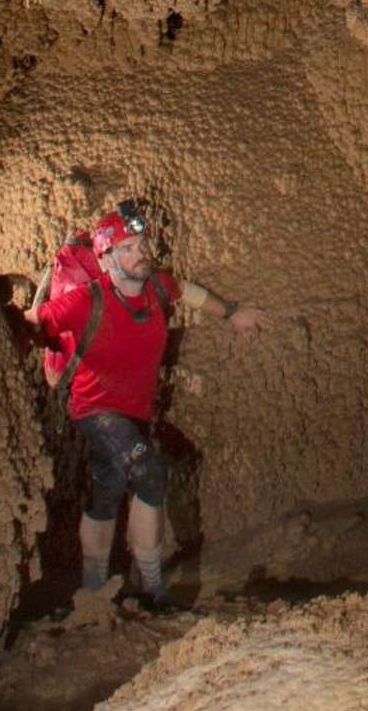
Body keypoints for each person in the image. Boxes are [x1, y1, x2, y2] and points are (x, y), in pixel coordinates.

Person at [28, 200, 271, 606]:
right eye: (127, 247)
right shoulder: (86, 299)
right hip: (95, 410)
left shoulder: (158, 286)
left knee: (106, 492)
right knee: (150, 471)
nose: (141, 252)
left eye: (142, 243)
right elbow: (34, 322)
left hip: (136, 411)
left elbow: (189, 293)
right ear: (106, 259)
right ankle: (153, 589)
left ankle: (92, 589)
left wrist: (231, 313)